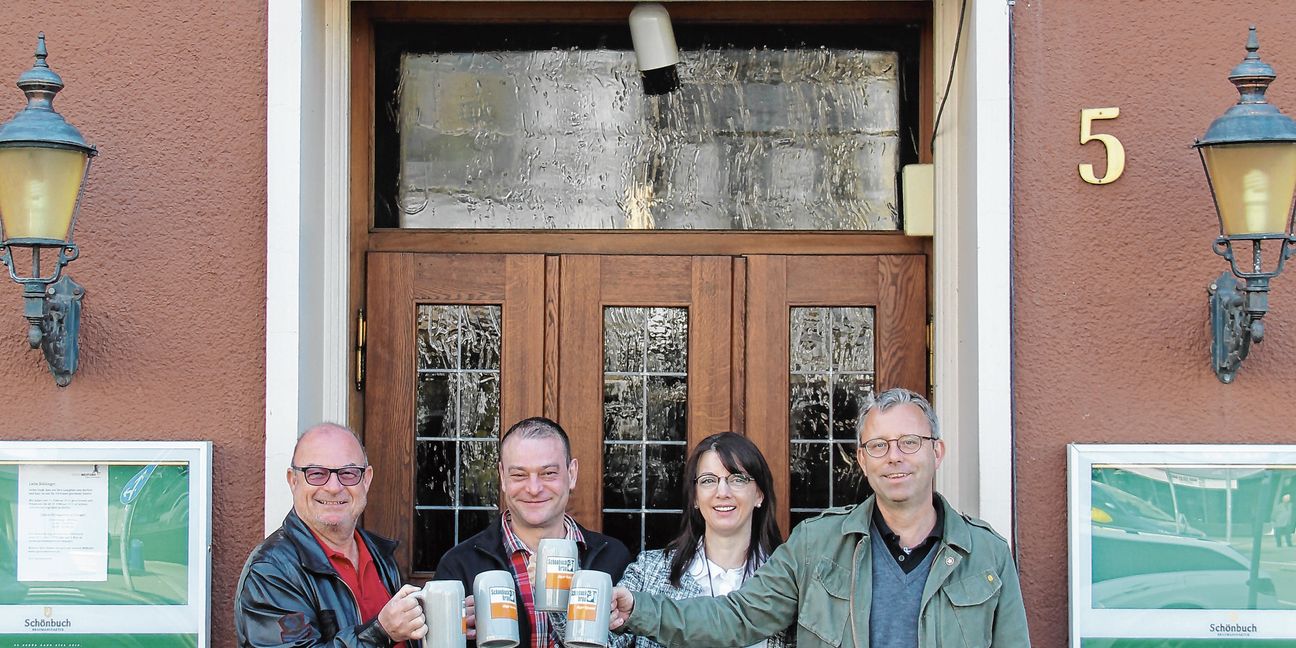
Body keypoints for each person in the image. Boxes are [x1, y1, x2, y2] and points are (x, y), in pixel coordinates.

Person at [610, 388, 1031, 648]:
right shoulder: (817, 545)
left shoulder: (987, 556)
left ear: (936, 452)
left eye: (909, 442)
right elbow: (735, 618)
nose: (895, 457)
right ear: (862, 461)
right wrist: (639, 611)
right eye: (879, 446)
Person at [437, 416, 632, 648]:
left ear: (572, 473)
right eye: (519, 475)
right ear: (502, 477)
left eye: (548, 473)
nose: (533, 488)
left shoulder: (613, 557)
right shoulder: (460, 564)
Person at [235, 423, 427, 647]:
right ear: (293, 480)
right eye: (316, 474)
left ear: (366, 480)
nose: (334, 487)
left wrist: (449, 616)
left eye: (348, 473)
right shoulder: (270, 571)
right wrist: (380, 632)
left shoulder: (379, 556)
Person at [617, 432, 791, 648]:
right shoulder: (648, 572)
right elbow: (599, 640)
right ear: (695, 497)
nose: (722, 492)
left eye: (737, 479)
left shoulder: (788, 581)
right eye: (708, 480)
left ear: (759, 495)